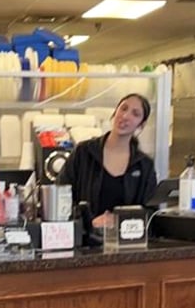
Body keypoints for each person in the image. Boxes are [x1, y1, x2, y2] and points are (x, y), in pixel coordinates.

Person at [58, 92, 158, 228]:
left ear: (141, 124)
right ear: (115, 111)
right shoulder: (83, 152)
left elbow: (150, 212)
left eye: (135, 114)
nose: (125, 116)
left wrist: (120, 222)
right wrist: (89, 222)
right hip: (85, 242)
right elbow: (61, 196)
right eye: (123, 108)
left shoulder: (144, 165)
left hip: (127, 243)